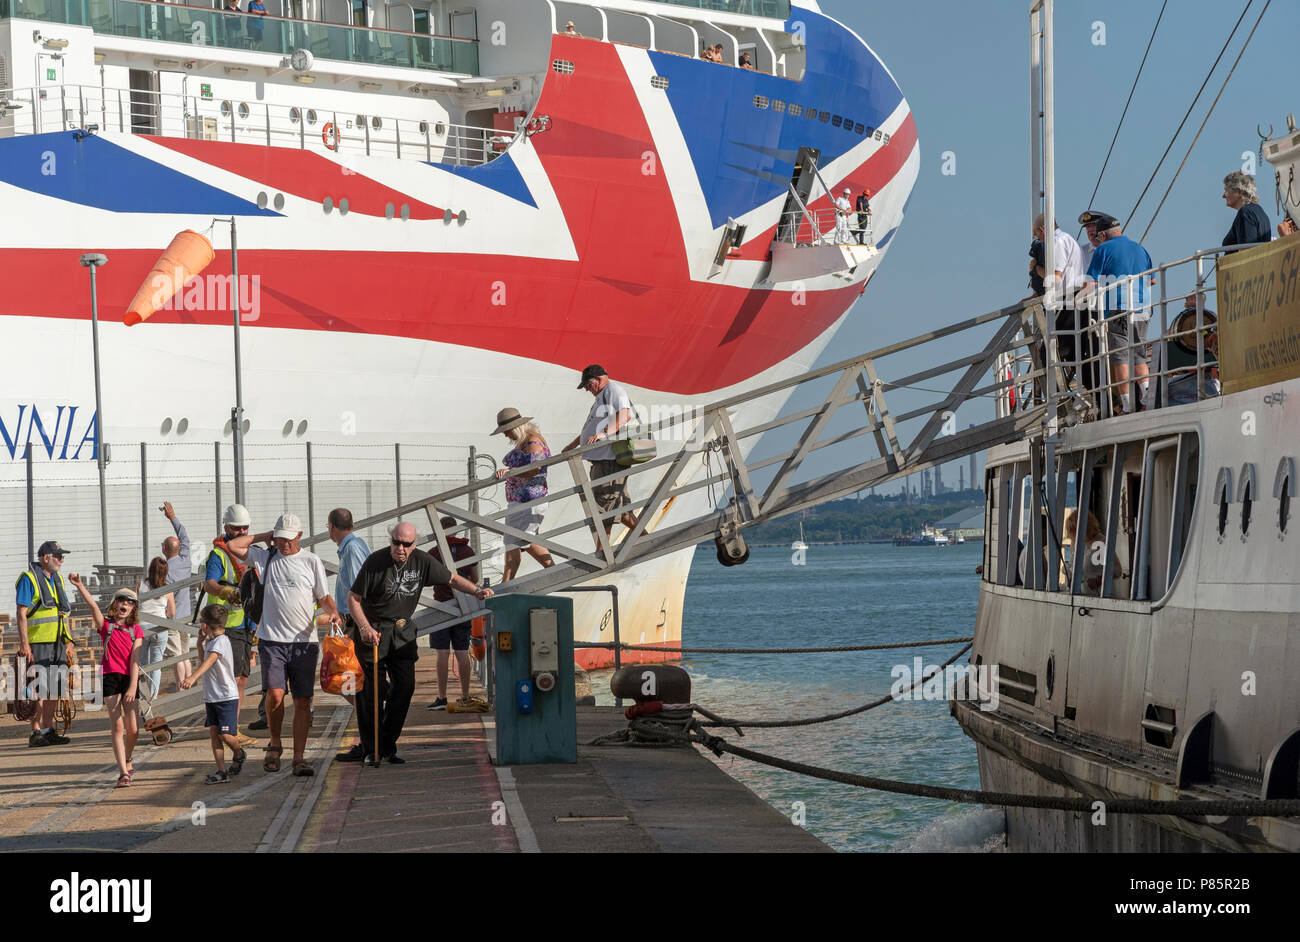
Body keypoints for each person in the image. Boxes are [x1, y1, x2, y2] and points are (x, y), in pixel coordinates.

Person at [345, 522, 493, 763]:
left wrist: (476, 591)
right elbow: (353, 598)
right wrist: (364, 627)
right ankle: (371, 749)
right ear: (390, 540)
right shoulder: (375, 562)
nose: (400, 548)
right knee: (372, 692)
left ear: (414, 544)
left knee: (404, 687)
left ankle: (386, 744)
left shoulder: (422, 561)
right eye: (396, 542)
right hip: (373, 633)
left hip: (402, 632)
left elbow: (452, 579)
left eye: (406, 544)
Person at [225, 512, 340, 776]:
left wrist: (332, 610)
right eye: (279, 538)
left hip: (303, 642)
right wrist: (267, 536)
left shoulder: (311, 562)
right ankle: (275, 744)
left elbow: (323, 596)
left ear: (299, 537)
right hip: (272, 640)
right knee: (275, 695)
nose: (283, 544)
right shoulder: (266, 557)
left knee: (302, 700)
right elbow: (233, 545)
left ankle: (299, 757)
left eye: (288, 539)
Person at [1076, 211, 1153, 414]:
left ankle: (1127, 402)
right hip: (1143, 308)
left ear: (1103, 235)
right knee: (1138, 353)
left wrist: (1078, 299)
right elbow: (1151, 279)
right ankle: (1146, 392)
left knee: (1119, 356)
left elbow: (1091, 281)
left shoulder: (1103, 249)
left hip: (1118, 308)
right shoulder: (1139, 248)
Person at [69, 578, 141, 786]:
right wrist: (80, 586)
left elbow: (135, 660)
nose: (124, 604)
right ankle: (123, 773)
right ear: (115, 603)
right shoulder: (106, 625)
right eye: (121, 600)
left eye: (129, 601)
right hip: (110, 676)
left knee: (134, 729)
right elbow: (92, 606)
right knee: (117, 726)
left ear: (133, 607)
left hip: (129, 678)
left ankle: (127, 758)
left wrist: (134, 686)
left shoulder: (136, 630)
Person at [565, 365, 640, 551]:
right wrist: (574, 444)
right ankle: (648, 539)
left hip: (609, 460)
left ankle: (602, 552)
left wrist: (604, 434)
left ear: (597, 380)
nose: (588, 390)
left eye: (588, 386)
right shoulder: (602, 395)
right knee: (621, 510)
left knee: (603, 505)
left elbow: (625, 415)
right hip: (603, 461)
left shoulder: (612, 390)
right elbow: (593, 425)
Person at [203, 503, 259, 735]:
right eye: (236, 528)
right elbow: (210, 584)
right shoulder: (219, 554)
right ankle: (229, 729)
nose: (241, 532)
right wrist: (228, 592)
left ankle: (230, 727)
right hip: (227, 626)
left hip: (246, 625)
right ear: (226, 527)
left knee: (242, 679)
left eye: (244, 528)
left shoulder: (251, 553)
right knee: (233, 681)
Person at [14, 540, 75, 747]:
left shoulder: (58, 580)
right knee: (39, 689)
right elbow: (21, 613)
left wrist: (68, 640)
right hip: (38, 642)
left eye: (62, 556)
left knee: (55, 689)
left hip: (57, 643)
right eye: (58, 556)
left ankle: (48, 730)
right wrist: (25, 644)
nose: (61, 560)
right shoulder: (29, 579)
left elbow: (62, 614)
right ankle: (36, 732)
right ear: (45, 558)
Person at [180, 603, 247, 784]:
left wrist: (192, 677)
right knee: (214, 733)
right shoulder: (211, 642)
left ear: (206, 624)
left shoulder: (222, 641)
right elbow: (205, 658)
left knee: (225, 735)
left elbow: (210, 660)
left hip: (226, 696)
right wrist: (200, 644)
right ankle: (222, 770)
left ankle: (239, 753)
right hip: (212, 696)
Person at [492, 408, 556, 583]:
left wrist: (510, 472)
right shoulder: (529, 440)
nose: (506, 436)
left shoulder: (532, 441)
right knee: (525, 539)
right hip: (525, 501)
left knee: (513, 541)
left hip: (528, 501)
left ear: (516, 428)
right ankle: (553, 571)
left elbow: (536, 467)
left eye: (507, 432)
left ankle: (506, 583)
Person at [425, 516, 479, 711]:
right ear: (456, 530)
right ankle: (465, 696)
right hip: (462, 607)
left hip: (441, 607)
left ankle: (441, 698)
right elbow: (476, 578)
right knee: (462, 652)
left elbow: (427, 579)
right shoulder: (467, 551)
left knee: (442, 653)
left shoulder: (433, 553)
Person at [160, 501, 194, 690]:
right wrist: (172, 517)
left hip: (172, 617)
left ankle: (182, 687)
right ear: (178, 548)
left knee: (176, 655)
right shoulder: (185, 560)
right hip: (186, 615)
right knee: (186, 652)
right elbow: (185, 535)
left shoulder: (165, 571)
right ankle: (190, 682)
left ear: (164, 550)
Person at [136, 557, 175, 699]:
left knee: (141, 663)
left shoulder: (140, 584)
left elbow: (134, 606)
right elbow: (171, 613)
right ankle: (153, 696)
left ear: (150, 569)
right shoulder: (167, 588)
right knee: (156, 664)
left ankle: (142, 695)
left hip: (141, 628)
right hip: (159, 629)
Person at [1221, 171, 1271, 249]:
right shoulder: (1259, 211)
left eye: (1226, 191)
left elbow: (1246, 251)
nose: (1223, 196)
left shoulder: (1246, 213)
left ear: (1239, 192)